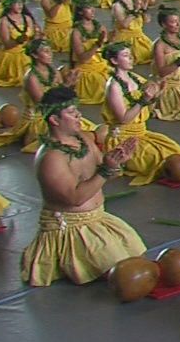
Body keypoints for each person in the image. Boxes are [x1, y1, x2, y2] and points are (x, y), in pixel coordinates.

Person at [20, 87, 144, 286]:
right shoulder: (51, 157)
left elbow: (102, 175)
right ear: (55, 120)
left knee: (137, 260)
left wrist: (115, 163)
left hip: (100, 219)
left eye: (77, 109)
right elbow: (75, 198)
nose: (79, 115)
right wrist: (105, 170)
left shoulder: (85, 138)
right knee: (126, 275)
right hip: (72, 231)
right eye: (71, 112)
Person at [101, 42, 180, 186]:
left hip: (142, 133)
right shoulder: (114, 86)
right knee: (157, 161)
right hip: (124, 138)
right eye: (126, 56)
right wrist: (143, 99)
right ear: (114, 61)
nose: (131, 58)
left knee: (175, 151)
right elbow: (124, 119)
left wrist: (156, 95)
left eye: (131, 55)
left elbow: (149, 110)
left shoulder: (135, 78)